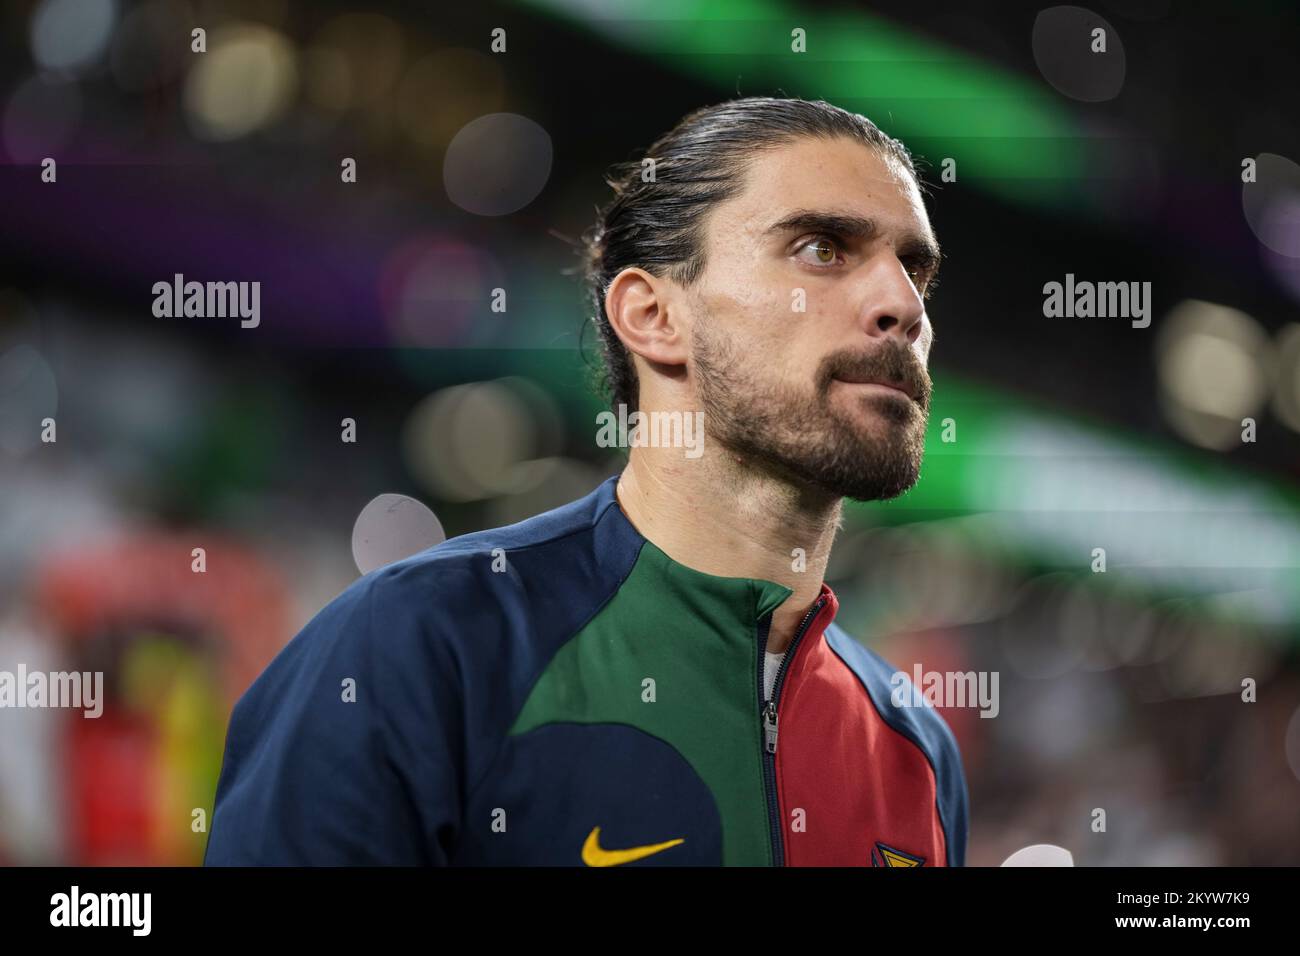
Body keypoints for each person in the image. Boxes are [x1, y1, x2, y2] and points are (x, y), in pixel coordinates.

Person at [205, 96, 967, 867]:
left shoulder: (918, 754)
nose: (901, 306)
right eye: (823, 249)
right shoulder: (422, 644)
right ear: (653, 316)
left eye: (915, 270)